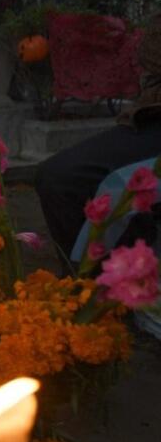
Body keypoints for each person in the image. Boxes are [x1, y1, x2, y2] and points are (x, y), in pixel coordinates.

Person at [35, 13, 161, 262]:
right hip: (154, 116)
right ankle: (88, 288)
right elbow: (150, 51)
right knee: (60, 176)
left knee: (128, 189)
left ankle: (122, 285)